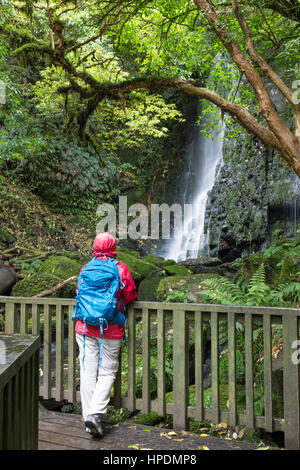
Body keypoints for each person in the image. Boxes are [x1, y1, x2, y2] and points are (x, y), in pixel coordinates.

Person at [75, 232, 137, 437]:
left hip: (84, 327)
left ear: (95, 247)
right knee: (107, 371)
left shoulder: (86, 268)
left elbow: (79, 293)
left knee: (87, 371)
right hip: (110, 327)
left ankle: (88, 419)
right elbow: (130, 295)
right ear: (113, 247)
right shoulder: (120, 268)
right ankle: (95, 413)